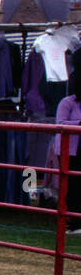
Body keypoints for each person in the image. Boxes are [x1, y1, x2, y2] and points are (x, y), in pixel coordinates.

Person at [56, 72, 81, 234]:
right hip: (69, 150)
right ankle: (70, 223)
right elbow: (60, 123)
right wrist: (79, 123)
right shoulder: (67, 102)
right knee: (71, 186)